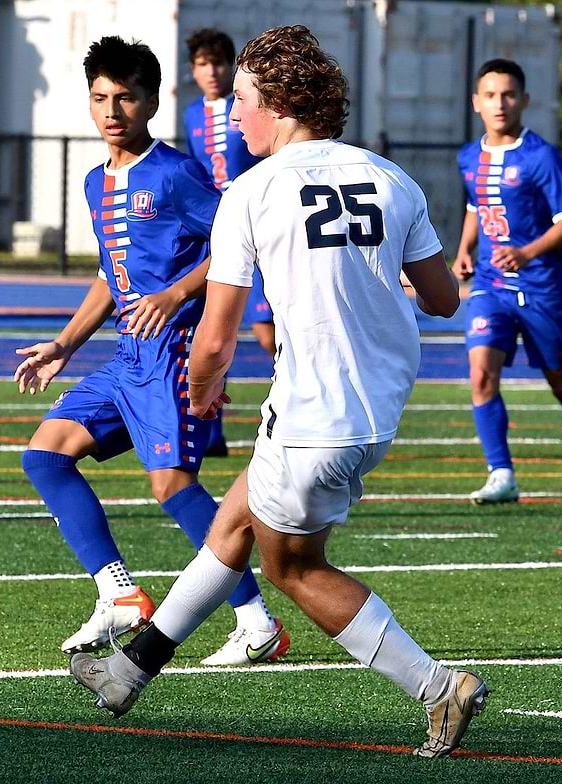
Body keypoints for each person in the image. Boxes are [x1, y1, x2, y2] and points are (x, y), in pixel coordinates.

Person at [70, 25, 487, 759]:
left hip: (313, 415)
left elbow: (218, 335)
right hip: (373, 411)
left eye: (241, 100)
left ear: (283, 104)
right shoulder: (392, 178)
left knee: (290, 567)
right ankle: (130, 671)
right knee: (233, 522)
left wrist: (201, 394)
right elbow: (445, 299)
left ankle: (437, 687)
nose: (231, 117)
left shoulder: (254, 191)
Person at [14, 35, 288, 667]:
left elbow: (236, 242)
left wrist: (176, 292)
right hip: (128, 355)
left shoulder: (176, 173)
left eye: (126, 98)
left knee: (172, 486)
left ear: (151, 102)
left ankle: (256, 622)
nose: (112, 110)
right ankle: (117, 592)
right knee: (45, 456)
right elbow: (113, 274)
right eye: (100, 98)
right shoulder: (94, 181)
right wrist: (64, 343)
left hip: (174, 353)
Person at [453, 58, 562, 512]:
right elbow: (475, 206)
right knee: (481, 373)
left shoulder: (541, 156)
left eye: (508, 94)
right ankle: (501, 473)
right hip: (490, 285)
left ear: (524, 100)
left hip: (540, 287)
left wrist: (526, 252)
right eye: (490, 95)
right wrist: (465, 248)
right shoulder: (469, 156)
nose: (499, 103)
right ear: (476, 103)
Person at [182, 28, 276, 456]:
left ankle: (294, 401)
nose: (212, 71)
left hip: (258, 227)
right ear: (193, 70)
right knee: (212, 328)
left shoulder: (248, 109)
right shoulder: (190, 116)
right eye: (203, 63)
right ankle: (212, 432)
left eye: (219, 62)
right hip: (216, 236)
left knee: (266, 333)